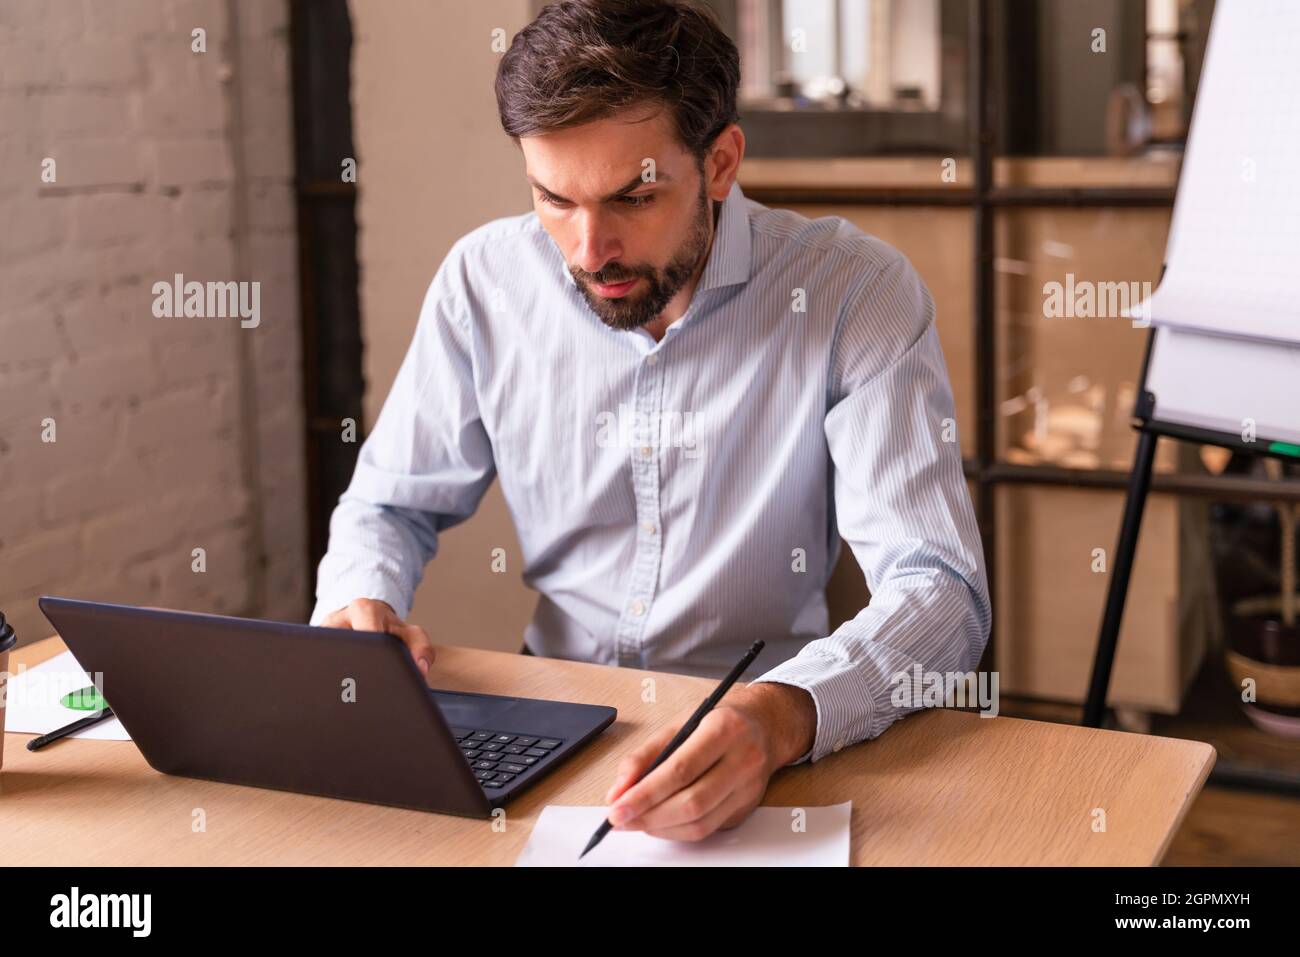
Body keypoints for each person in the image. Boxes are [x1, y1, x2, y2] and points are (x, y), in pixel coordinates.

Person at [311, 0, 990, 842]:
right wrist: (359, 596)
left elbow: (941, 588)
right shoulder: (484, 283)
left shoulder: (854, 292)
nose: (590, 250)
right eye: (553, 198)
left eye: (634, 195)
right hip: (553, 716)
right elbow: (389, 502)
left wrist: (779, 718)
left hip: (767, 727)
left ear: (721, 162)